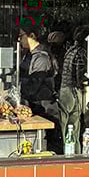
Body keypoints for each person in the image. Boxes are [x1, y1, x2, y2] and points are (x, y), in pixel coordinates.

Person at [18, 24, 61, 153]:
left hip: (45, 108)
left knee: (47, 146)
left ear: (32, 36)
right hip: (35, 105)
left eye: (21, 36)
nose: (19, 40)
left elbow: (33, 86)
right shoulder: (28, 55)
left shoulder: (41, 57)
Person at [58, 26, 89, 153]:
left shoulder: (69, 51)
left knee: (64, 126)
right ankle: (74, 153)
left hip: (64, 90)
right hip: (73, 91)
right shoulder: (81, 53)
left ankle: (65, 152)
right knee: (74, 127)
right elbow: (79, 76)